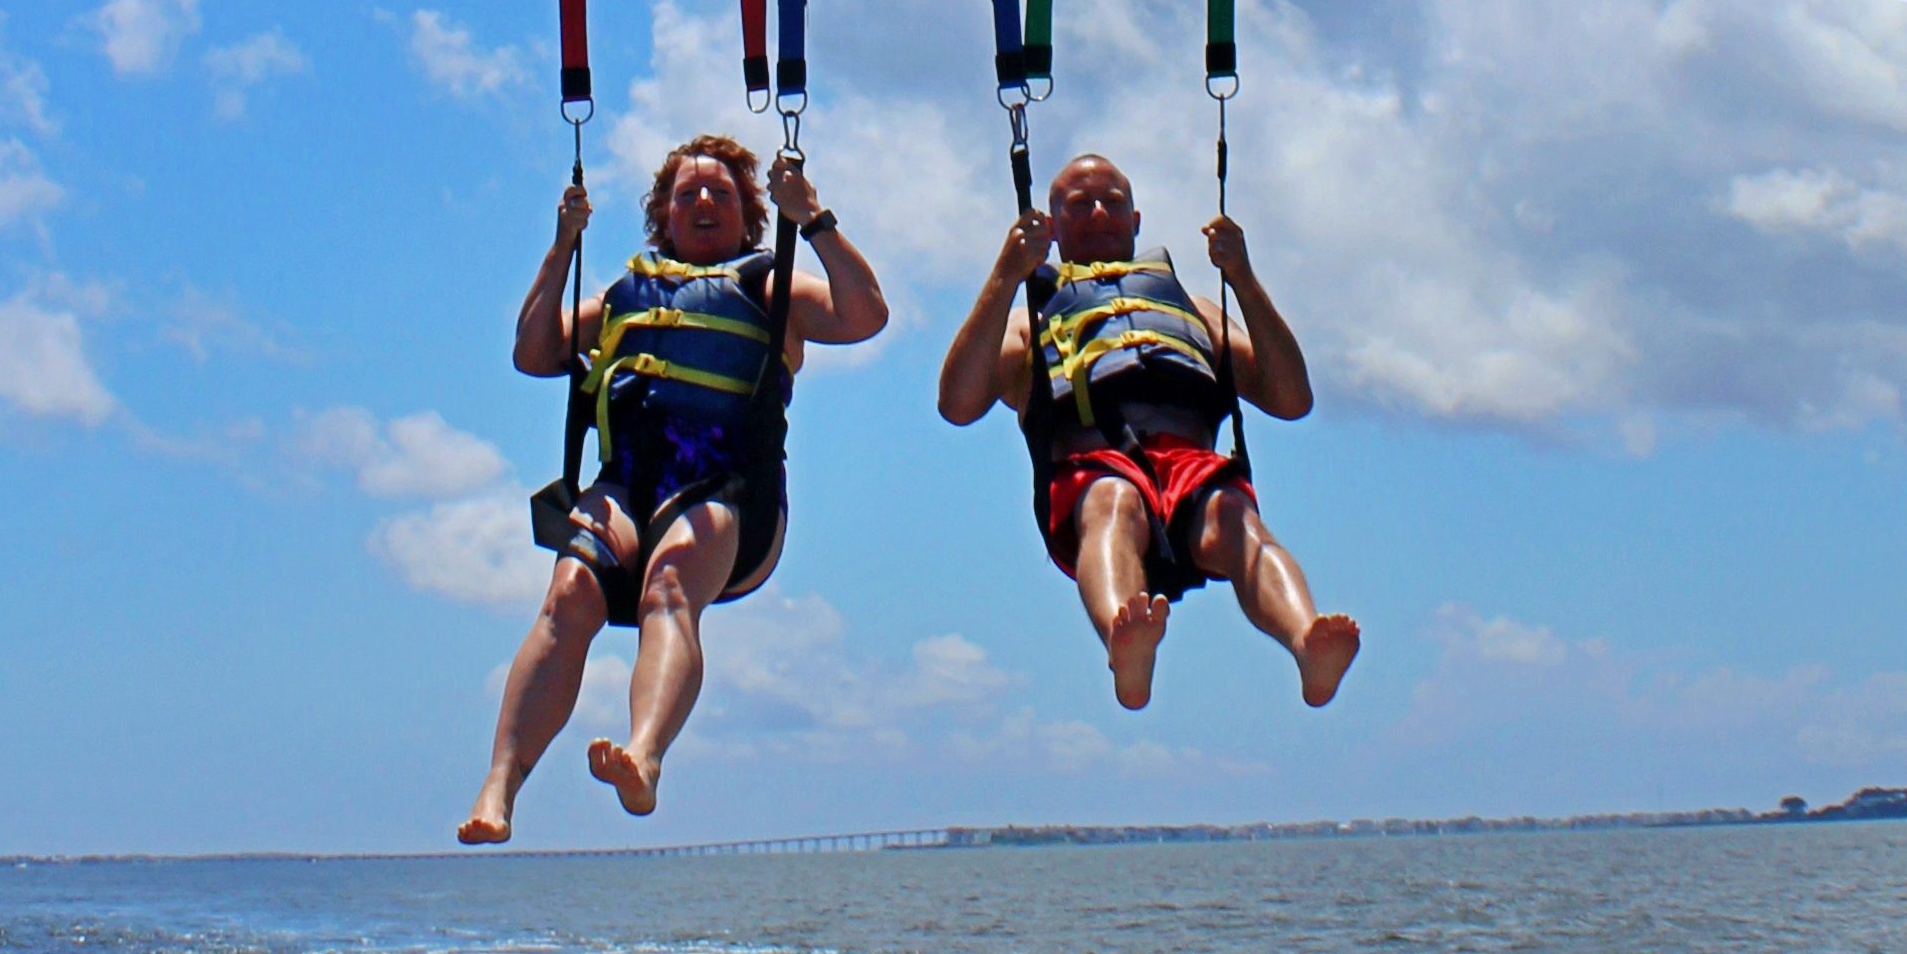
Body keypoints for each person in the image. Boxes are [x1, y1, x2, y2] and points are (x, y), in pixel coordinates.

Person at [459, 134, 887, 842]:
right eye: (687, 193)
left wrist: (810, 216)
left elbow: (865, 314)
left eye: (721, 192)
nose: (704, 202)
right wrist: (564, 243)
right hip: (627, 481)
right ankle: (498, 788)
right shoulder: (626, 293)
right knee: (566, 597)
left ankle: (645, 756)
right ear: (663, 214)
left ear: (748, 212)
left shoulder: (766, 284)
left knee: (668, 586)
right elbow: (534, 352)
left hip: (725, 485)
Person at [936, 153, 1357, 714]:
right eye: (1078, 203)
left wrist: (1245, 282)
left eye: (1112, 201)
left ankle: (1307, 643)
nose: (1098, 211)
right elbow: (958, 404)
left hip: (1190, 465)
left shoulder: (1193, 306)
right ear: (1052, 225)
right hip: (1094, 462)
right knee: (1115, 503)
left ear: (1136, 220)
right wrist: (1004, 275)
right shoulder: (1027, 318)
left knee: (1236, 520)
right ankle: (1123, 641)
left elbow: (1291, 399)